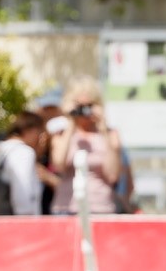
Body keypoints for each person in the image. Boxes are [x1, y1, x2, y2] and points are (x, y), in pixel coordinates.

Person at [49, 76, 123, 215]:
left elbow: (113, 175)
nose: (84, 111)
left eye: (89, 106)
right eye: (80, 106)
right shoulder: (61, 133)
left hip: (100, 207)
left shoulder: (110, 134)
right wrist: (71, 123)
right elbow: (59, 165)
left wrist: (102, 128)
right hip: (66, 208)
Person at [0, 111, 46, 216]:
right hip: (18, 221)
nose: (40, 138)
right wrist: (25, 220)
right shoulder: (24, 152)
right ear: (30, 130)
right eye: (39, 132)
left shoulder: (0, 148)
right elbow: (22, 191)